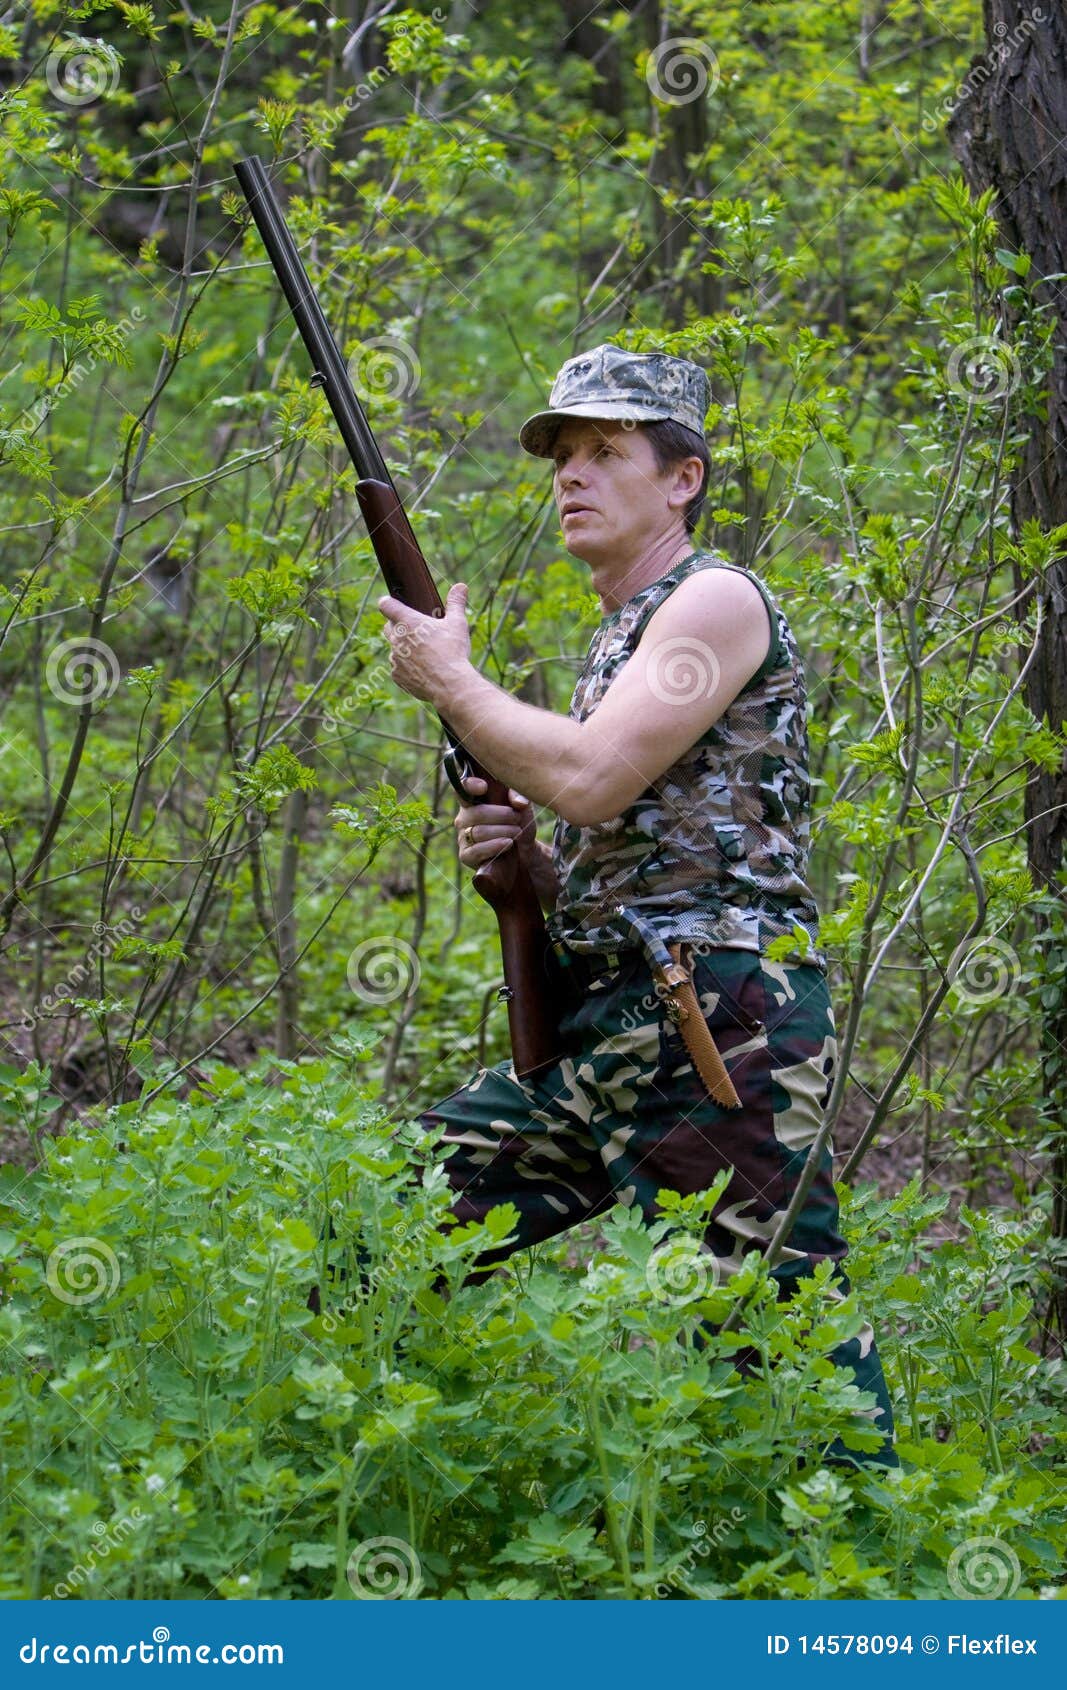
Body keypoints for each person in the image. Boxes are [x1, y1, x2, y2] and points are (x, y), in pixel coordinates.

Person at [376, 343, 897, 1468]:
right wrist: (532, 874)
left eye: (606, 450)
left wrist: (451, 682)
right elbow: (633, 843)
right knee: (381, 1221)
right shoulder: (620, 634)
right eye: (563, 454)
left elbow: (593, 778)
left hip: (724, 1030)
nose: (570, 473)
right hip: (616, 1031)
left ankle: (896, 1619)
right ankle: (393, 1466)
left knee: (791, 1367)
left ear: (682, 479)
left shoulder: (713, 600)